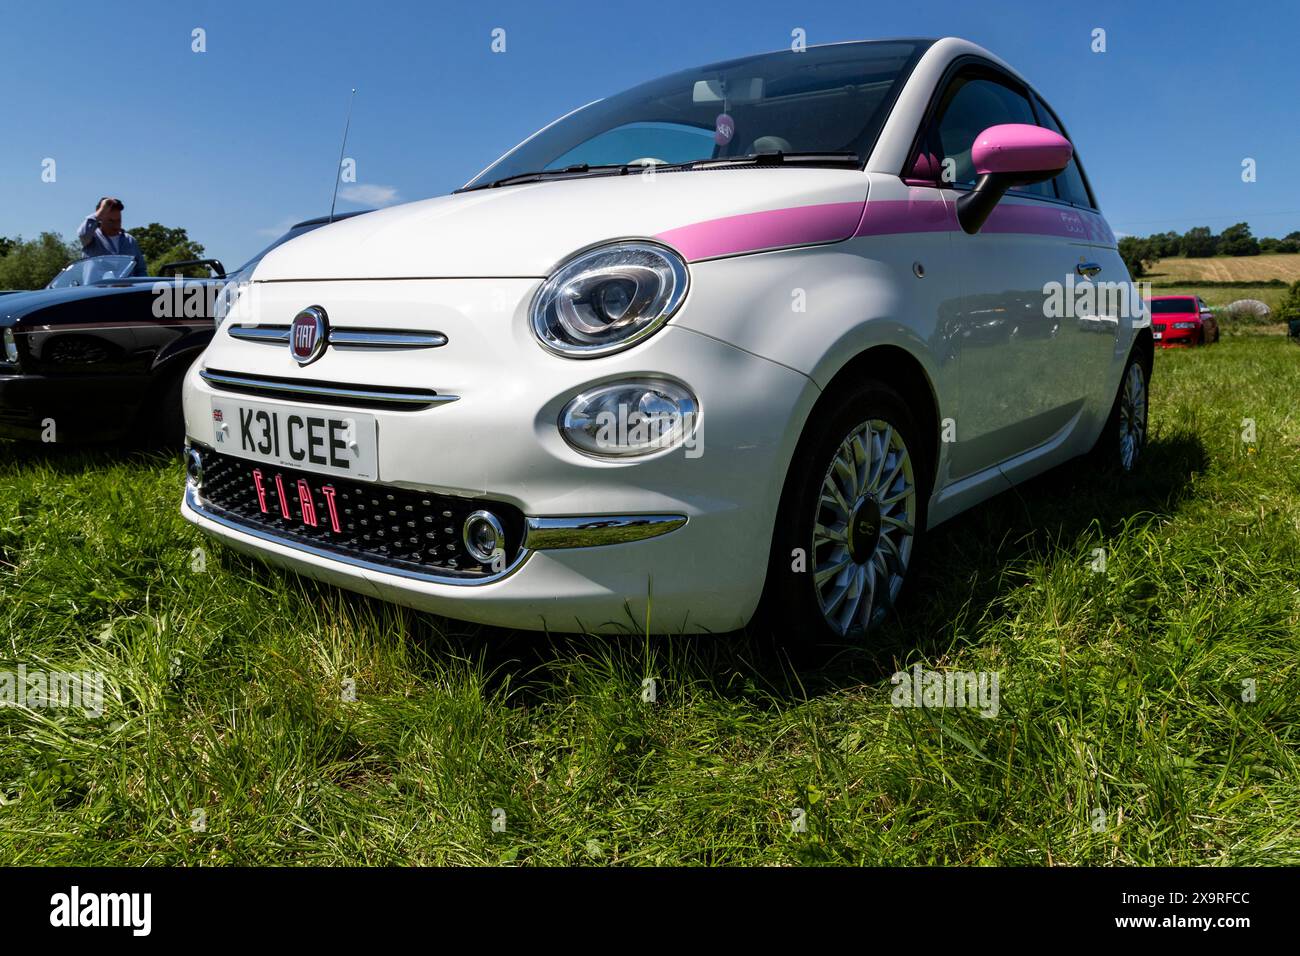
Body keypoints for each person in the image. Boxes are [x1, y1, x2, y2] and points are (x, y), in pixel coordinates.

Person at [78, 197, 148, 277]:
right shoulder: (92, 237)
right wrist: (101, 210)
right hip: (97, 289)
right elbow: (83, 234)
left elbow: (141, 270)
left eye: (118, 220)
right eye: (111, 221)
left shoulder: (130, 240)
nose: (116, 225)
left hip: (127, 289)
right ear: (100, 218)